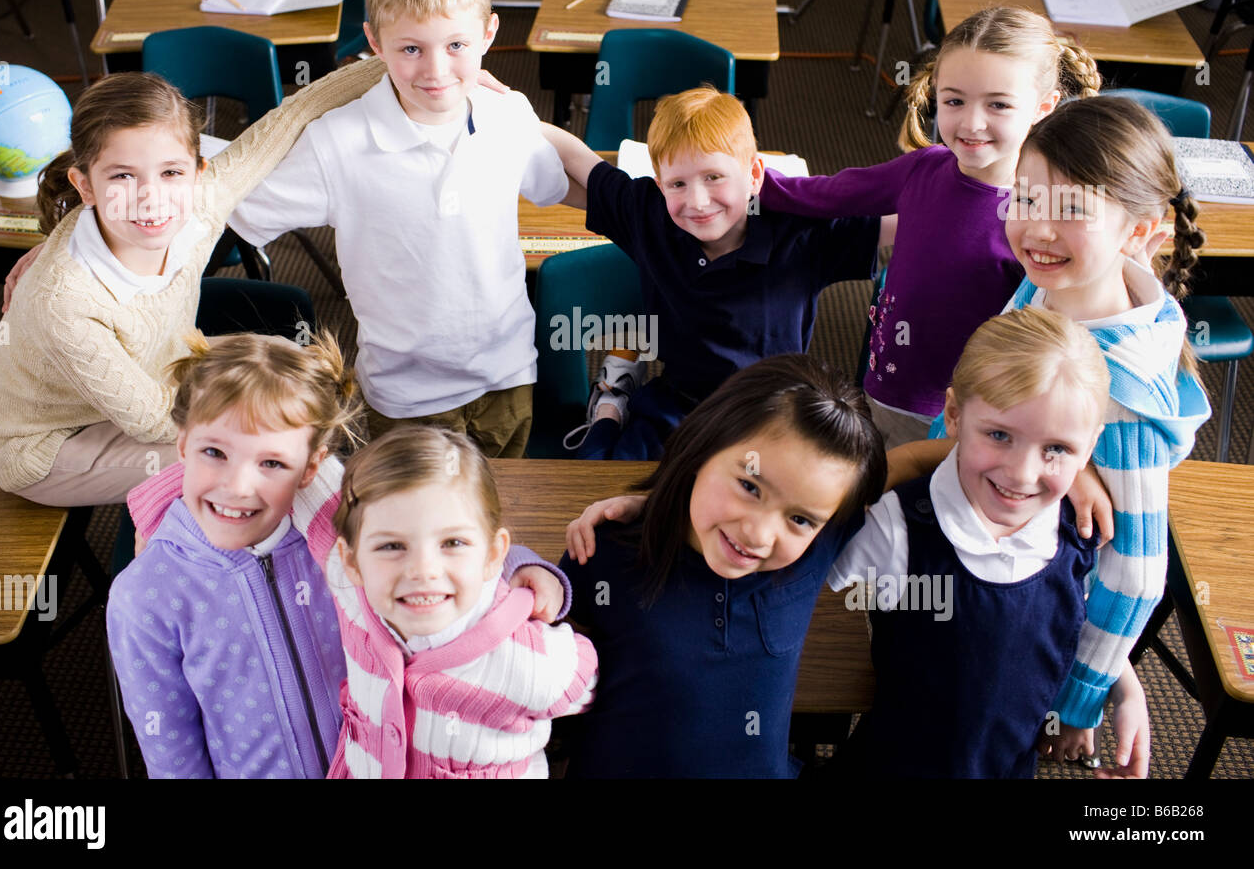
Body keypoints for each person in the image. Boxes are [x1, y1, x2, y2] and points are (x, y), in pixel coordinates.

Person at [112, 333, 574, 777]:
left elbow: (444, 542)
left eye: (272, 463)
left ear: (312, 466)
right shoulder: (144, 596)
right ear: (181, 446)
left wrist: (521, 567)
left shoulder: (339, 527)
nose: (237, 487)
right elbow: (170, 751)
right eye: (214, 452)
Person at [222, 0, 568, 457]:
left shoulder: (508, 115)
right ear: (375, 43)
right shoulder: (335, 143)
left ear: (489, 34)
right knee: (410, 528)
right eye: (411, 48)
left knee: (498, 517)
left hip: (507, 376)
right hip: (405, 397)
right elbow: (231, 210)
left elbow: (562, 184)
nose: (435, 71)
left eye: (456, 45)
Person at [0, 61, 388, 506]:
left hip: (154, 372)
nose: (151, 197)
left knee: (298, 367)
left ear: (198, 171)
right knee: (252, 454)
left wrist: (408, 66)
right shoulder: (64, 302)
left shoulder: (203, 199)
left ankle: (355, 486)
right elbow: (155, 420)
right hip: (52, 445)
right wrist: (260, 415)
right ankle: (332, 530)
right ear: (85, 186)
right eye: (122, 175)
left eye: (171, 172)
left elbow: (296, 111)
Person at [828, 307, 1150, 778]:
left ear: (1090, 445)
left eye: (1056, 449)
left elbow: (1067, 619)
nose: (1022, 474)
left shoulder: (1077, 532)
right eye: (999, 435)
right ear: (954, 415)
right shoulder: (898, 527)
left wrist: (1125, 688)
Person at [758, 7, 1101, 448]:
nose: (971, 123)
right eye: (954, 101)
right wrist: (749, 184)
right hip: (885, 383)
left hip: (972, 411)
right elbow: (834, 192)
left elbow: (1057, 334)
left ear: (1043, 107)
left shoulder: (1044, 217)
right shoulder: (924, 167)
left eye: (998, 104)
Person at [995, 95, 1208, 760]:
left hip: (1030, 609)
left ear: (1139, 230)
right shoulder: (1050, 288)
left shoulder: (1120, 400)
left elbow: (1137, 576)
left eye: (1071, 211)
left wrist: (1085, 695)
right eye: (1026, 200)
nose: (1037, 228)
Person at [557, 354, 887, 777]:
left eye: (800, 519)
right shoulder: (605, 550)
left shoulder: (817, 546)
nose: (759, 535)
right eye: (749, 486)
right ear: (702, 447)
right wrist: (662, 504)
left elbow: (925, 462)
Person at [539, 86, 888, 459]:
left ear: (754, 175)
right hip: (679, 406)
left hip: (772, 415)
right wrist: (506, 107)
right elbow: (577, 159)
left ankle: (616, 392)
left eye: (714, 177)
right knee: (599, 482)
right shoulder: (650, 213)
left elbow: (912, 215)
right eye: (678, 184)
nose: (698, 202)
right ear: (660, 186)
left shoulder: (801, 233)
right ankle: (611, 408)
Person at [327, 425, 597, 777]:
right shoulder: (352, 596)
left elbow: (601, 681)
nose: (423, 570)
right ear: (351, 562)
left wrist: (527, 573)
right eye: (391, 546)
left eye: (452, 543)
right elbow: (305, 476)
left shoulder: (533, 662)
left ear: (492, 555)